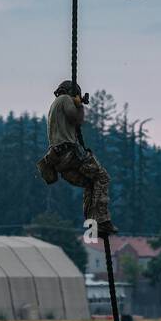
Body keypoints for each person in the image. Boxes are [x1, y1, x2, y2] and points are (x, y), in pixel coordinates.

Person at [37, 80, 115, 235]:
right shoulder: (65, 99)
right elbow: (77, 119)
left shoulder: (54, 105)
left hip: (59, 160)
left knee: (90, 184)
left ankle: (92, 223)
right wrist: (79, 104)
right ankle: (102, 221)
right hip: (71, 154)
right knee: (102, 177)